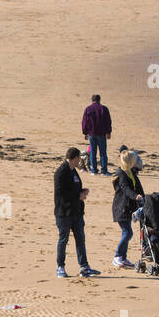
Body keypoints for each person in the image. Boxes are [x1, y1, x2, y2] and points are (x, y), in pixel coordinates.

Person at [54, 147, 96, 279]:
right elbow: (61, 193)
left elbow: (73, 189)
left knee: (80, 239)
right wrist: (78, 195)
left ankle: (84, 267)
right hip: (64, 213)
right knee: (63, 240)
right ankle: (60, 267)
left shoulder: (74, 172)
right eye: (79, 158)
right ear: (75, 158)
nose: (80, 161)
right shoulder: (61, 172)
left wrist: (82, 192)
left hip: (76, 212)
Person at [111, 148, 144, 269]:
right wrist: (136, 196)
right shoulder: (121, 174)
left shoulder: (131, 173)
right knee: (127, 232)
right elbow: (126, 189)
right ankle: (117, 256)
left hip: (129, 208)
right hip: (121, 208)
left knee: (127, 232)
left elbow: (138, 187)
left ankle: (123, 258)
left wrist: (145, 198)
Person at [80, 95, 113, 176]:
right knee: (103, 153)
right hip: (101, 134)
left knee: (93, 152)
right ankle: (104, 171)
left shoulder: (88, 109)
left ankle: (94, 170)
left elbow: (84, 122)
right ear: (99, 100)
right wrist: (108, 132)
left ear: (92, 100)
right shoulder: (104, 109)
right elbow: (108, 121)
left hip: (92, 133)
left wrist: (85, 132)